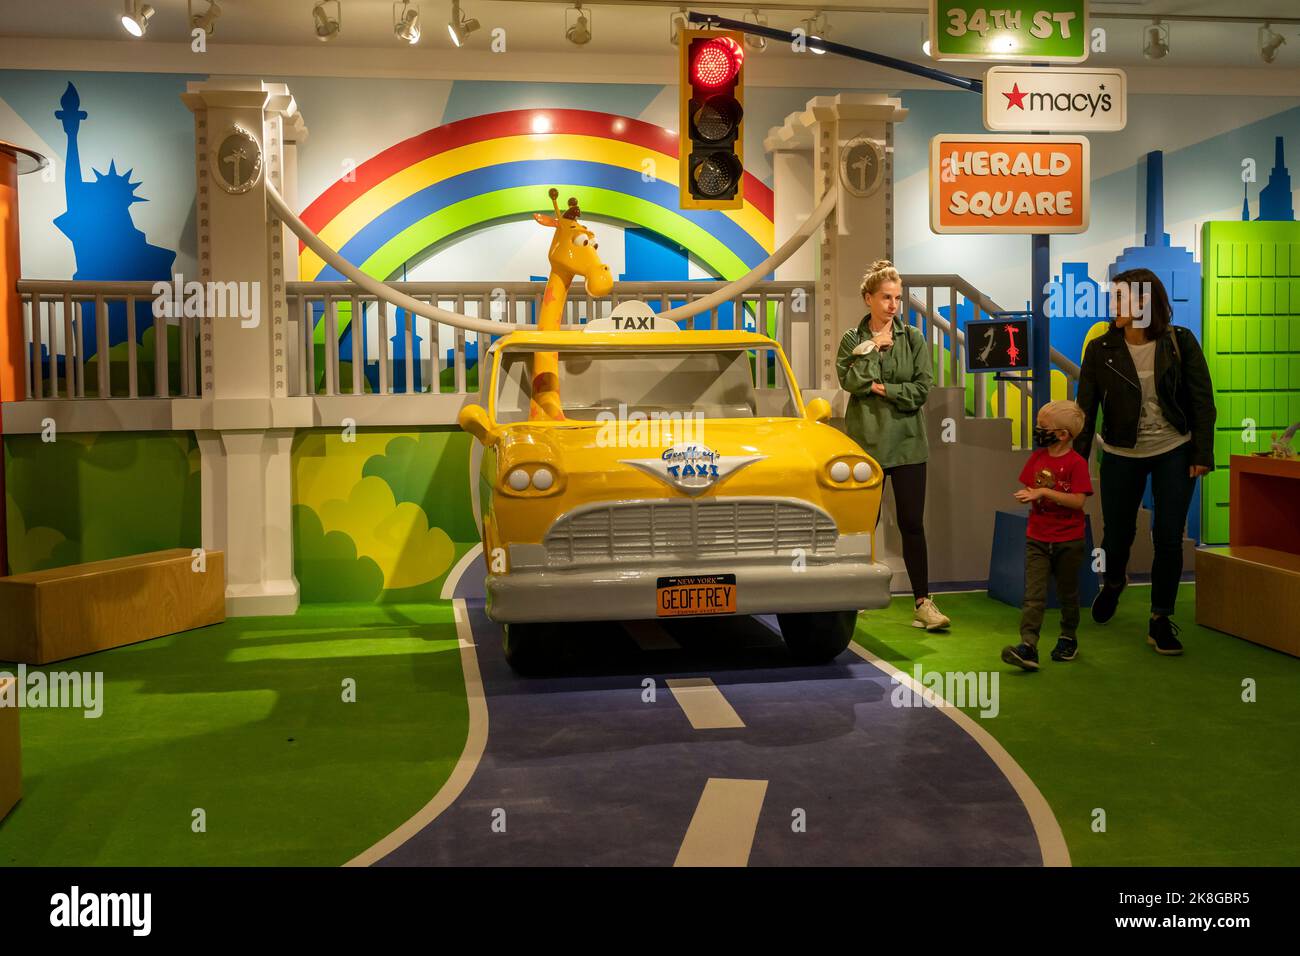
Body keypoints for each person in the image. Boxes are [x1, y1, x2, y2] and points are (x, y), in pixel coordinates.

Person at [1074, 268, 1217, 655]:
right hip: (1121, 453)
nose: (1112, 305)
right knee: (1117, 535)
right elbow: (1084, 411)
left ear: (1144, 302)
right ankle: (1114, 582)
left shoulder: (1180, 342)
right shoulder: (1101, 349)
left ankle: (1160, 618)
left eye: (1121, 297)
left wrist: (1203, 452)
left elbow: (1202, 401)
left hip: (1175, 449)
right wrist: (1074, 465)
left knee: (1168, 537)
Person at [836, 259, 950, 631]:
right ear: (869, 298)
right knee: (860, 524)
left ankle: (922, 603)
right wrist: (872, 348)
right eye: (886, 297)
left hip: (908, 445)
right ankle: (855, 596)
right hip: (865, 444)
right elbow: (849, 383)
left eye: (897, 298)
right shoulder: (852, 340)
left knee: (911, 523)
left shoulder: (914, 338)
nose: (893, 305)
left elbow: (920, 390)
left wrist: (881, 387)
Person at [1001, 401, 1093, 671]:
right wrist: (1030, 495)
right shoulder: (1038, 458)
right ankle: (1028, 645)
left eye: (1043, 427)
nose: (1038, 430)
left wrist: (1043, 493)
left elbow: (1078, 502)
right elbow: (1031, 487)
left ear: (1063, 434)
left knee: (1068, 593)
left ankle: (1068, 638)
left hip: (1069, 540)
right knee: (1033, 595)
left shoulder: (1076, 463)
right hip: (1037, 538)